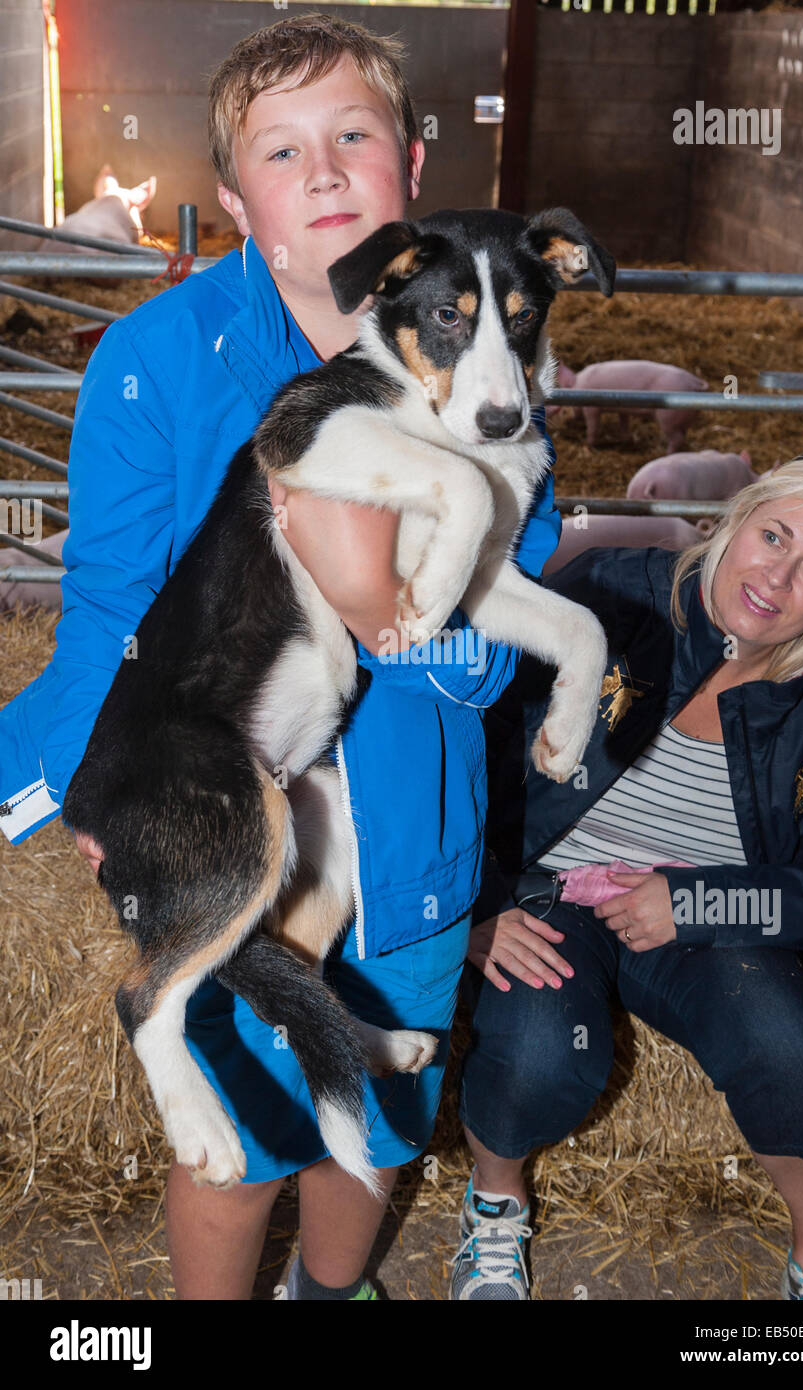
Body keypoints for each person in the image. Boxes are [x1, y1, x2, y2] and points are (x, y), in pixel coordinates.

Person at [0, 15, 561, 1299]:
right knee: (242, 1136)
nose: (322, 171)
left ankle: (331, 1286)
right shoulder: (154, 358)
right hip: (229, 787)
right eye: (281, 149)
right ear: (232, 197)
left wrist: (384, 618)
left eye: (352, 135)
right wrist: (81, 785)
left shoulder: (491, 362)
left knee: (375, 1115)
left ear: (411, 165)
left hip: (414, 822)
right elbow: (107, 606)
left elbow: (498, 641)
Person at [451, 455, 803, 1302]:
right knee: (539, 1053)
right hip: (549, 892)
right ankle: (494, 1205)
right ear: (730, 519)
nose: (777, 576)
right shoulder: (609, 594)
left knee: (795, 1053)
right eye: (772, 535)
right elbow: (462, 742)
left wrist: (699, 901)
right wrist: (479, 902)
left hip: (705, 916)